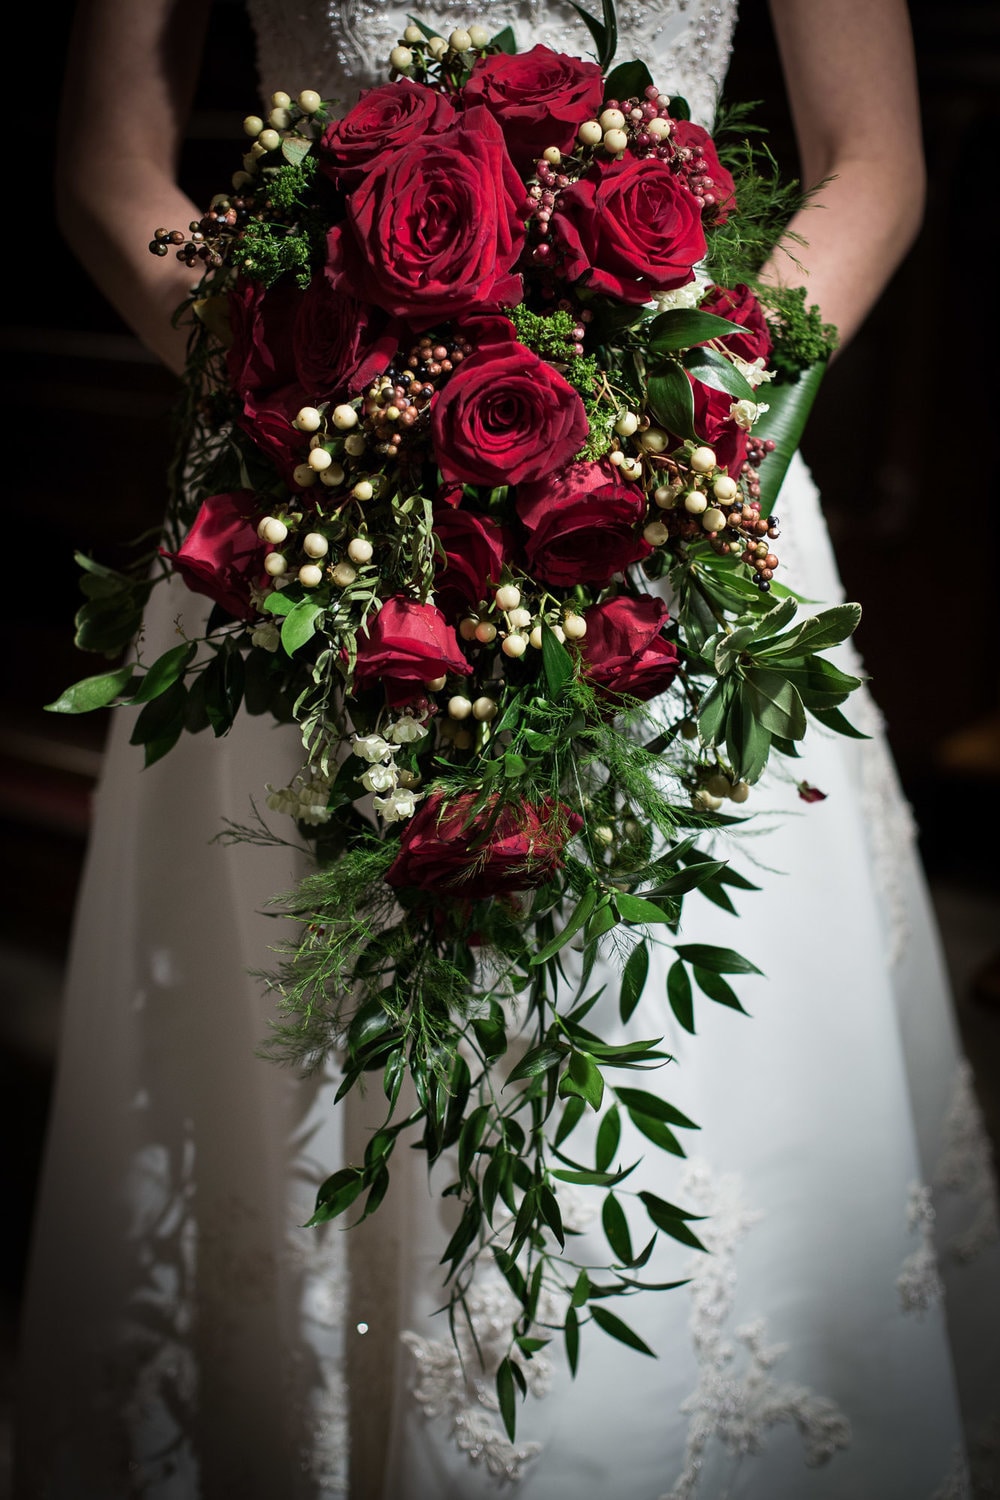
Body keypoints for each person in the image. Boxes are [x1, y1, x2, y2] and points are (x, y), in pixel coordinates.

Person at [15, 0, 1000, 1496]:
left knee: (638, 1061)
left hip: (672, 490)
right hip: (314, 502)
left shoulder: (678, 438)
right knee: (304, 1056)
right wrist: (306, 385)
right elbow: (107, 164)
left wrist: (678, 416)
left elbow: (875, 162)